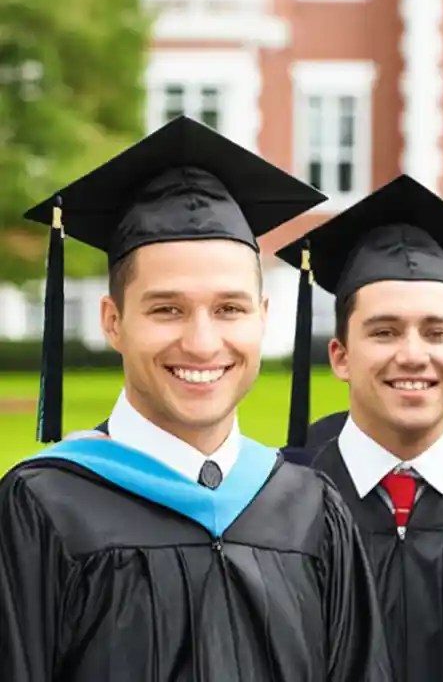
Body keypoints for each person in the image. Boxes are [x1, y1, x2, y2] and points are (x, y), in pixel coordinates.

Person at [0, 116, 391, 681]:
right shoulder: (44, 508)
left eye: (229, 309)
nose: (202, 342)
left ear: (262, 317)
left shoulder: (312, 511)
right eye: (167, 309)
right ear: (113, 322)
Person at [277, 174, 443, 682]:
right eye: (384, 332)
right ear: (340, 356)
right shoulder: (276, 510)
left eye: (437, 332)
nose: (413, 355)